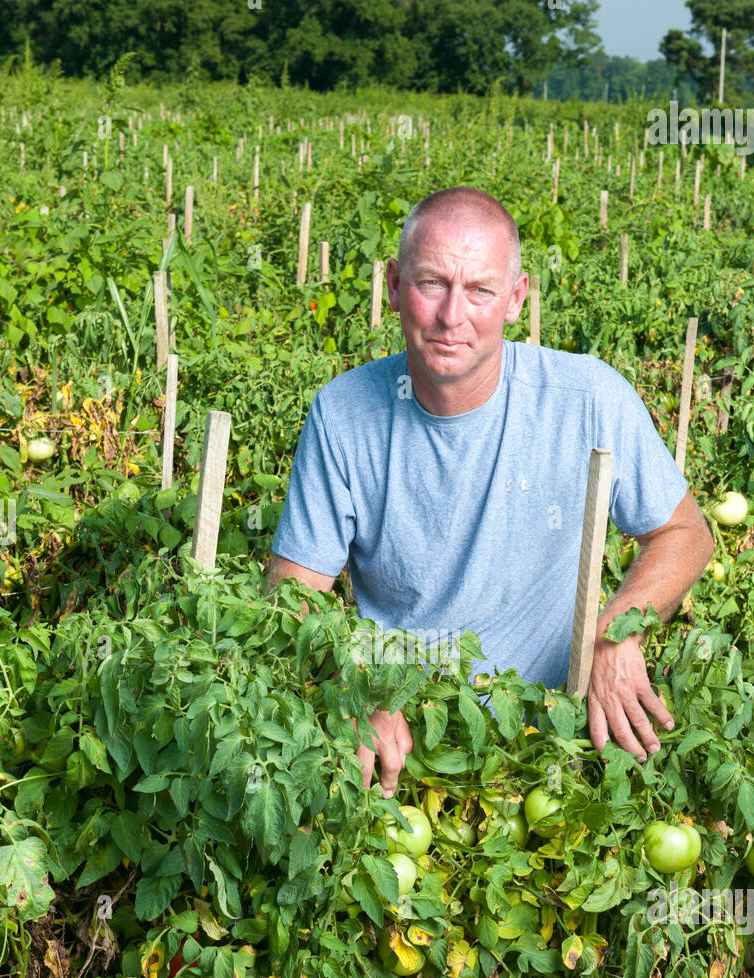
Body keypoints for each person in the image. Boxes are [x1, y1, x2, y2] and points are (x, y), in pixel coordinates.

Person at [267, 186, 714, 799]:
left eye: (479, 289)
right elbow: (293, 595)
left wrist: (619, 627)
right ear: (394, 285)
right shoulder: (343, 416)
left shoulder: (587, 398)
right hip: (402, 748)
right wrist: (357, 687)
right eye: (432, 284)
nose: (453, 315)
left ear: (515, 298)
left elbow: (684, 533)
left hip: (557, 739)